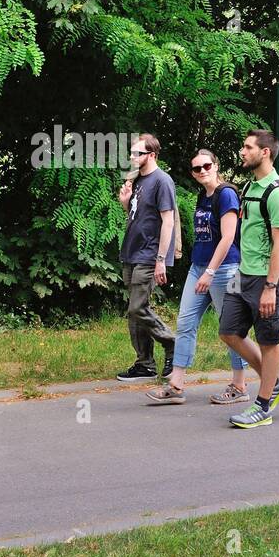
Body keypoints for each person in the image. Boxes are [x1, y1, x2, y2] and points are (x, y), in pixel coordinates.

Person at [146, 149, 250, 405]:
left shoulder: (226, 195)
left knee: (231, 328)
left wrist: (211, 272)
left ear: (216, 165)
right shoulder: (202, 196)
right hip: (198, 268)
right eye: (196, 169)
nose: (202, 171)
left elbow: (228, 238)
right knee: (185, 322)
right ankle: (176, 385)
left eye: (206, 166)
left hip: (224, 269)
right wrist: (202, 270)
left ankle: (239, 385)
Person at [218, 130, 279, 428]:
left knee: (268, 341)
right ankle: (273, 381)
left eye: (248, 147)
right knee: (228, 331)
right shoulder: (250, 186)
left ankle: (263, 407)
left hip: (267, 279)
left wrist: (270, 288)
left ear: (265, 152)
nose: (242, 151)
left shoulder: (278, 193)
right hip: (242, 273)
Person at [115, 133, 178, 382]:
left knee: (137, 306)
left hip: (149, 254)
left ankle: (173, 343)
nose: (132, 157)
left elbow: (168, 220)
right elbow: (137, 216)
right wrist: (125, 202)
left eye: (137, 153)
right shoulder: (138, 180)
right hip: (131, 251)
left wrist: (161, 259)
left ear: (151, 155)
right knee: (134, 312)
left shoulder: (162, 181)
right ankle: (145, 364)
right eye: (132, 153)